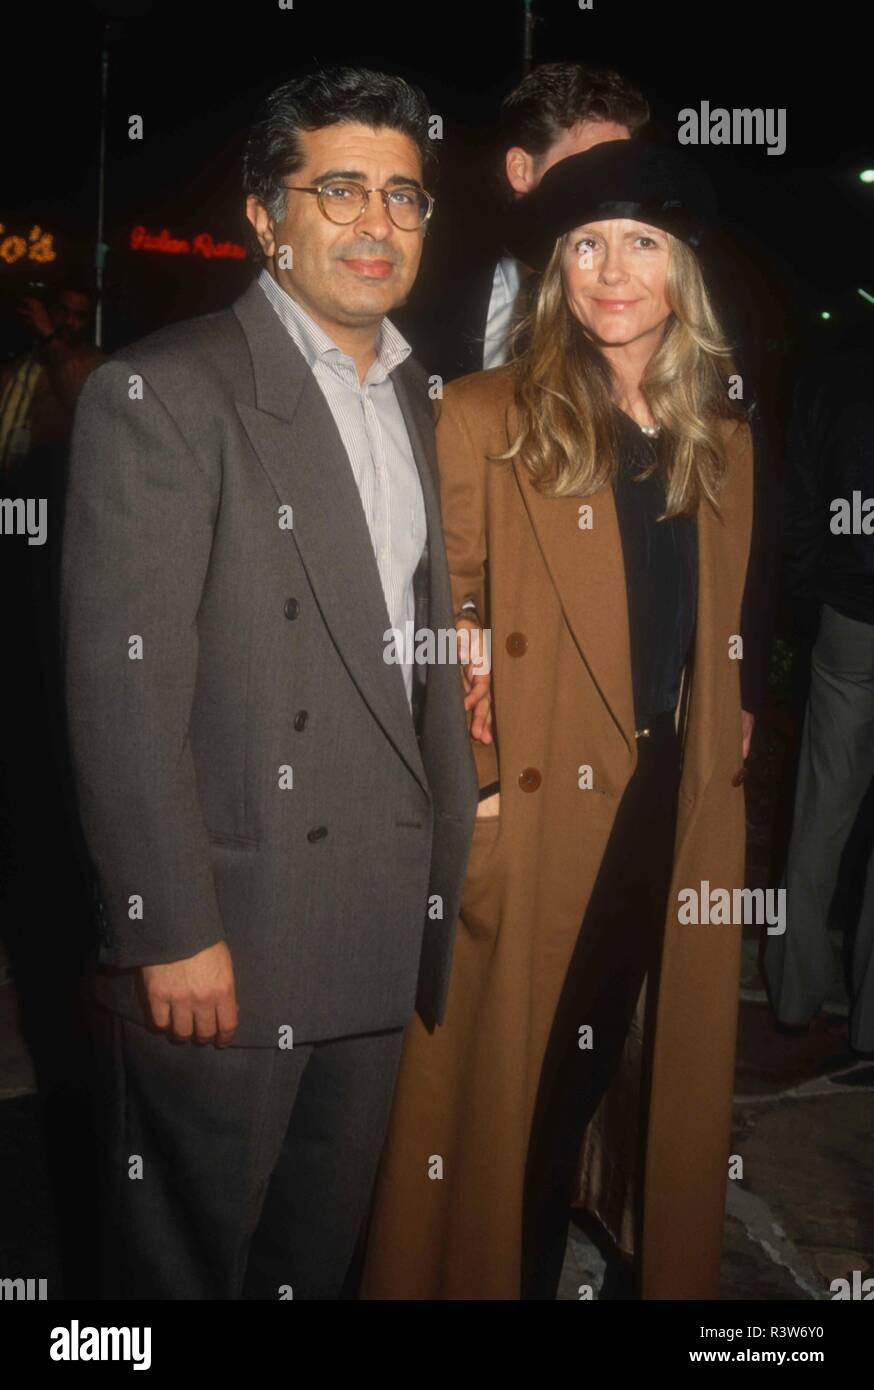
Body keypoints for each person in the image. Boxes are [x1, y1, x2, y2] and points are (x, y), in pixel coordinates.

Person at [60, 66, 478, 1300]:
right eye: (339, 189)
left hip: (376, 918)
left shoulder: (415, 391)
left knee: (310, 1257)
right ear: (263, 217)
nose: (376, 224)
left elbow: (389, 628)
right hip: (228, 941)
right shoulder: (168, 393)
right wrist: (167, 925)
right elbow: (120, 686)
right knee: (181, 1269)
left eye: (404, 197)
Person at [360, 139, 754, 1300]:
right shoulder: (485, 415)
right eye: (583, 246)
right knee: (503, 1114)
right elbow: (427, 619)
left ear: (684, 271)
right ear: (554, 273)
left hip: (662, 807)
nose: (608, 272)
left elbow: (723, 617)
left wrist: (733, 714)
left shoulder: (719, 435)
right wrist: (475, 780)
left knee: (610, 1077)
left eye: (640, 243)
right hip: (531, 821)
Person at [764, 327, 874, 1054]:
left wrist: (807, 598)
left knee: (821, 807)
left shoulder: (835, 368)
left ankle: (794, 995)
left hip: (848, 613)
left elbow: (799, 500)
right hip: (845, 604)